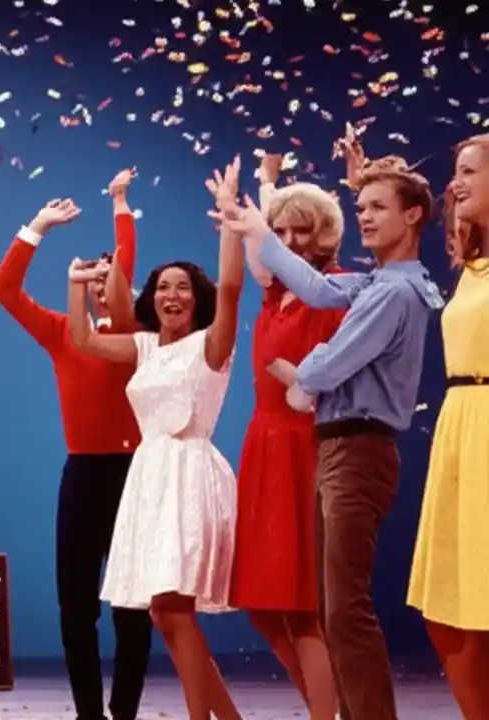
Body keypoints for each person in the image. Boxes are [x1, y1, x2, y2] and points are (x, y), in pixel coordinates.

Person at [218, 156, 444, 720]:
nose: (365, 217)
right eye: (361, 207)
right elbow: (315, 288)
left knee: (341, 609)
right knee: (334, 607)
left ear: (412, 215)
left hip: (354, 445)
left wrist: (300, 376)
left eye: (377, 208)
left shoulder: (391, 292)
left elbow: (322, 370)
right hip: (338, 445)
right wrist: (256, 227)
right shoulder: (377, 282)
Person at [67, 157, 246, 720]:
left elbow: (234, 287)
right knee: (167, 615)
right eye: (163, 287)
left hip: (190, 474)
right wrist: (76, 286)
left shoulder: (212, 345)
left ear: (197, 298)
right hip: (149, 477)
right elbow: (85, 342)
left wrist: (231, 221)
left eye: (183, 288)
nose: (171, 295)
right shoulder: (145, 346)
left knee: (173, 609)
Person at [0, 170, 152, 720]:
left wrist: (119, 203)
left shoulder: (139, 333)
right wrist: (37, 227)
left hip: (137, 474)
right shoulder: (63, 332)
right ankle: (88, 715)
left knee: (134, 607)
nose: (105, 277)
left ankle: (123, 713)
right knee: (76, 606)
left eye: (114, 274)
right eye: (94, 272)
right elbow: (4, 290)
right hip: (83, 476)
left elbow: (125, 255)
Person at [227, 153, 344, 720]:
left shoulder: (335, 291)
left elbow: (328, 380)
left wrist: (298, 380)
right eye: (284, 230)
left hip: (304, 449)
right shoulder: (276, 294)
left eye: (305, 230)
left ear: (325, 235)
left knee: (302, 609)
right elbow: (261, 254)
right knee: (263, 605)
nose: (293, 239)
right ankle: (332, 708)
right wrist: (257, 191)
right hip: (264, 449)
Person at [408, 133, 489, 719]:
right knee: (447, 610)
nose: (454, 183)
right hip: (460, 427)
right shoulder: (471, 268)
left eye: (468, 171)